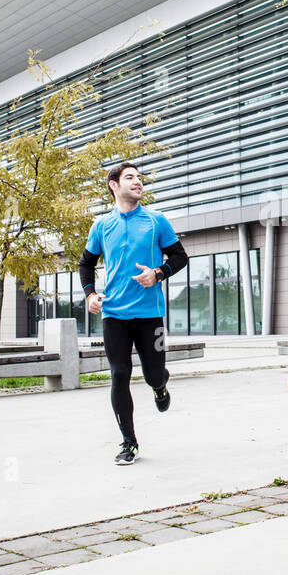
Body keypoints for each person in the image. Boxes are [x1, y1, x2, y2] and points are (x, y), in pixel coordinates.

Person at [78, 161, 188, 464]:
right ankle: (129, 441)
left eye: (139, 177)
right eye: (130, 178)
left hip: (150, 313)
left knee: (153, 374)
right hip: (114, 314)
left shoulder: (156, 221)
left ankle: (159, 385)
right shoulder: (101, 226)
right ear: (114, 185)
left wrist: (158, 273)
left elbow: (180, 256)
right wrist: (90, 294)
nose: (138, 182)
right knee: (119, 374)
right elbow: (85, 264)